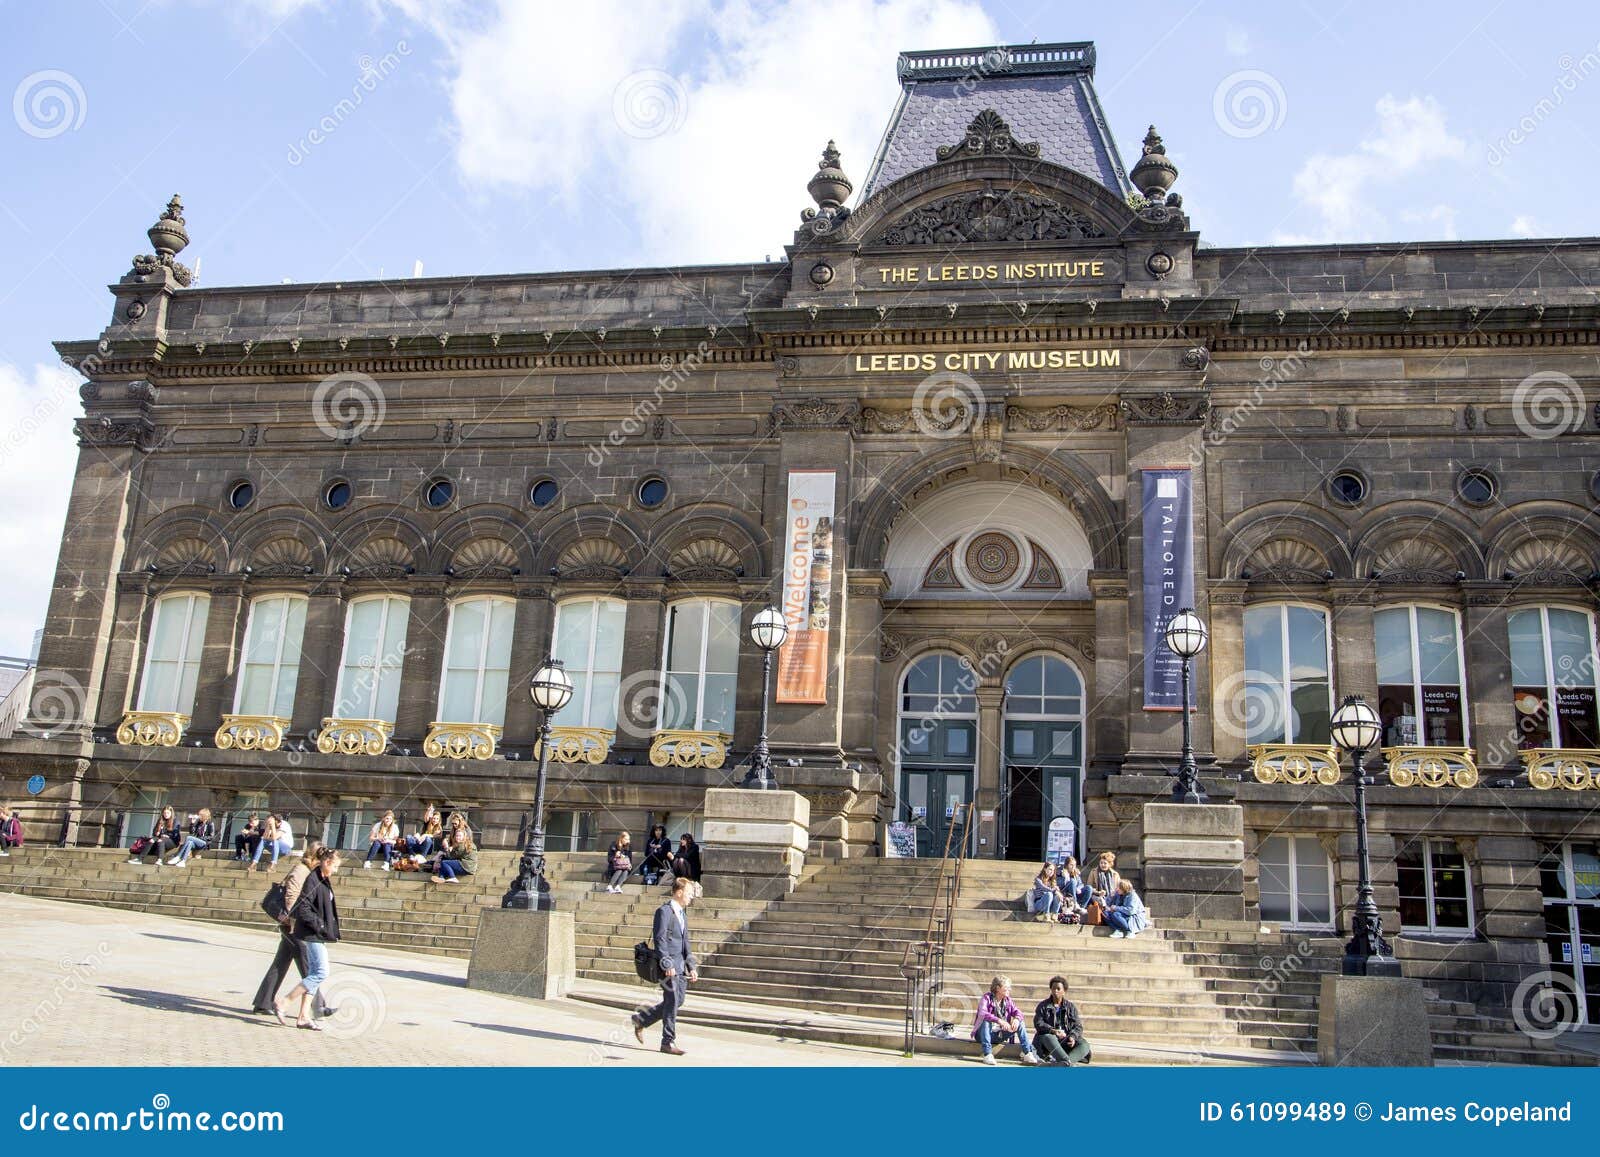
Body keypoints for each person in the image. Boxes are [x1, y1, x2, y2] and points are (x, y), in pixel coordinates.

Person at [252, 841, 331, 1019]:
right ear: (315, 857)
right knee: (309, 967)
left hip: (293, 925)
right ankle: (318, 1006)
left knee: (280, 963)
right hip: (293, 925)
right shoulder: (301, 870)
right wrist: (294, 922)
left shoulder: (308, 871)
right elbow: (291, 896)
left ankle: (263, 1002)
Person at [630, 874, 698, 1055]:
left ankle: (641, 1020)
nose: (692, 896)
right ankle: (668, 1042)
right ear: (679, 892)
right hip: (668, 967)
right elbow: (660, 940)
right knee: (673, 1000)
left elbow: (686, 943)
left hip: (680, 966)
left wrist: (691, 966)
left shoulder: (682, 913)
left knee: (678, 1001)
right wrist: (667, 964)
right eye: (690, 893)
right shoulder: (664, 911)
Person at [274, 847, 341, 1030]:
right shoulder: (314, 879)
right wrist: (320, 925)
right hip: (312, 933)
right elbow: (303, 907)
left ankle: (303, 1016)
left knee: (313, 973)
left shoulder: (322, 878)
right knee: (321, 972)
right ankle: (285, 1001)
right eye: (335, 866)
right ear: (326, 863)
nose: (336, 870)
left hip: (317, 933)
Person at [971, 976, 1042, 1065]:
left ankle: (1027, 1052)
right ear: (998, 988)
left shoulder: (1007, 1000)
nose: (1010, 989)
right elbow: (983, 1013)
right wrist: (999, 1021)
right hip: (983, 1035)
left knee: (1019, 1022)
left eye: (1009, 987)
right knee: (986, 1021)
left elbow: (1018, 1011)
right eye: (1007, 987)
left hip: (999, 1034)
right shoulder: (986, 998)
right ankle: (987, 1054)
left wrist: (1017, 1018)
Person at [1032, 976, 1092, 1065]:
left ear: (1064, 991)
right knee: (1048, 1037)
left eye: (1058, 989)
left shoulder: (1070, 1007)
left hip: (1065, 1041)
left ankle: (1066, 1063)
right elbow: (1038, 1023)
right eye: (1053, 988)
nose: (1055, 991)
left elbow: (1078, 1026)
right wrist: (1053, 1031)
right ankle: (1067, 1062)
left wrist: (1073, 1037)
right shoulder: (1043, 1006)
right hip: (1049, 1043)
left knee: (1084, 1044)